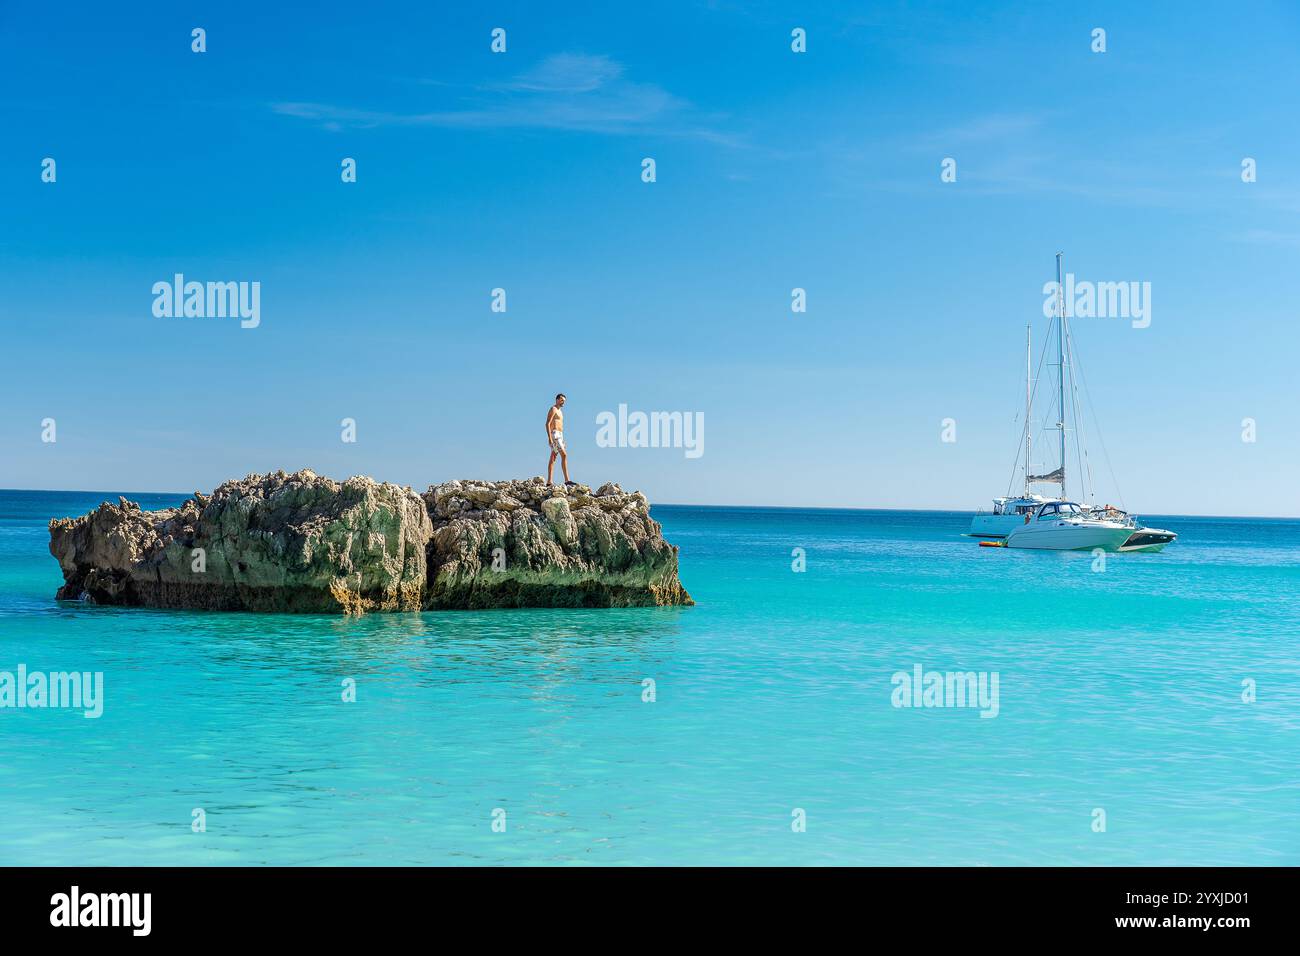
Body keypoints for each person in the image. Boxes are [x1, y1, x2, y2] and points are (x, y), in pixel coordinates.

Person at [546, 393, 574, 487]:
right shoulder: (553, 409)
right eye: (562, 400)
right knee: (564, 455)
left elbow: (560, 425)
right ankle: (567, 480)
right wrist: (550, 438)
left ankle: (549, 481)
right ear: (557, 400)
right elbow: (547, 423)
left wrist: (563, 439)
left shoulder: (560, 411)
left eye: (564, 401)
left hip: (560, 435)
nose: (563, 402)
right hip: (554, 434)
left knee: (553, 457)